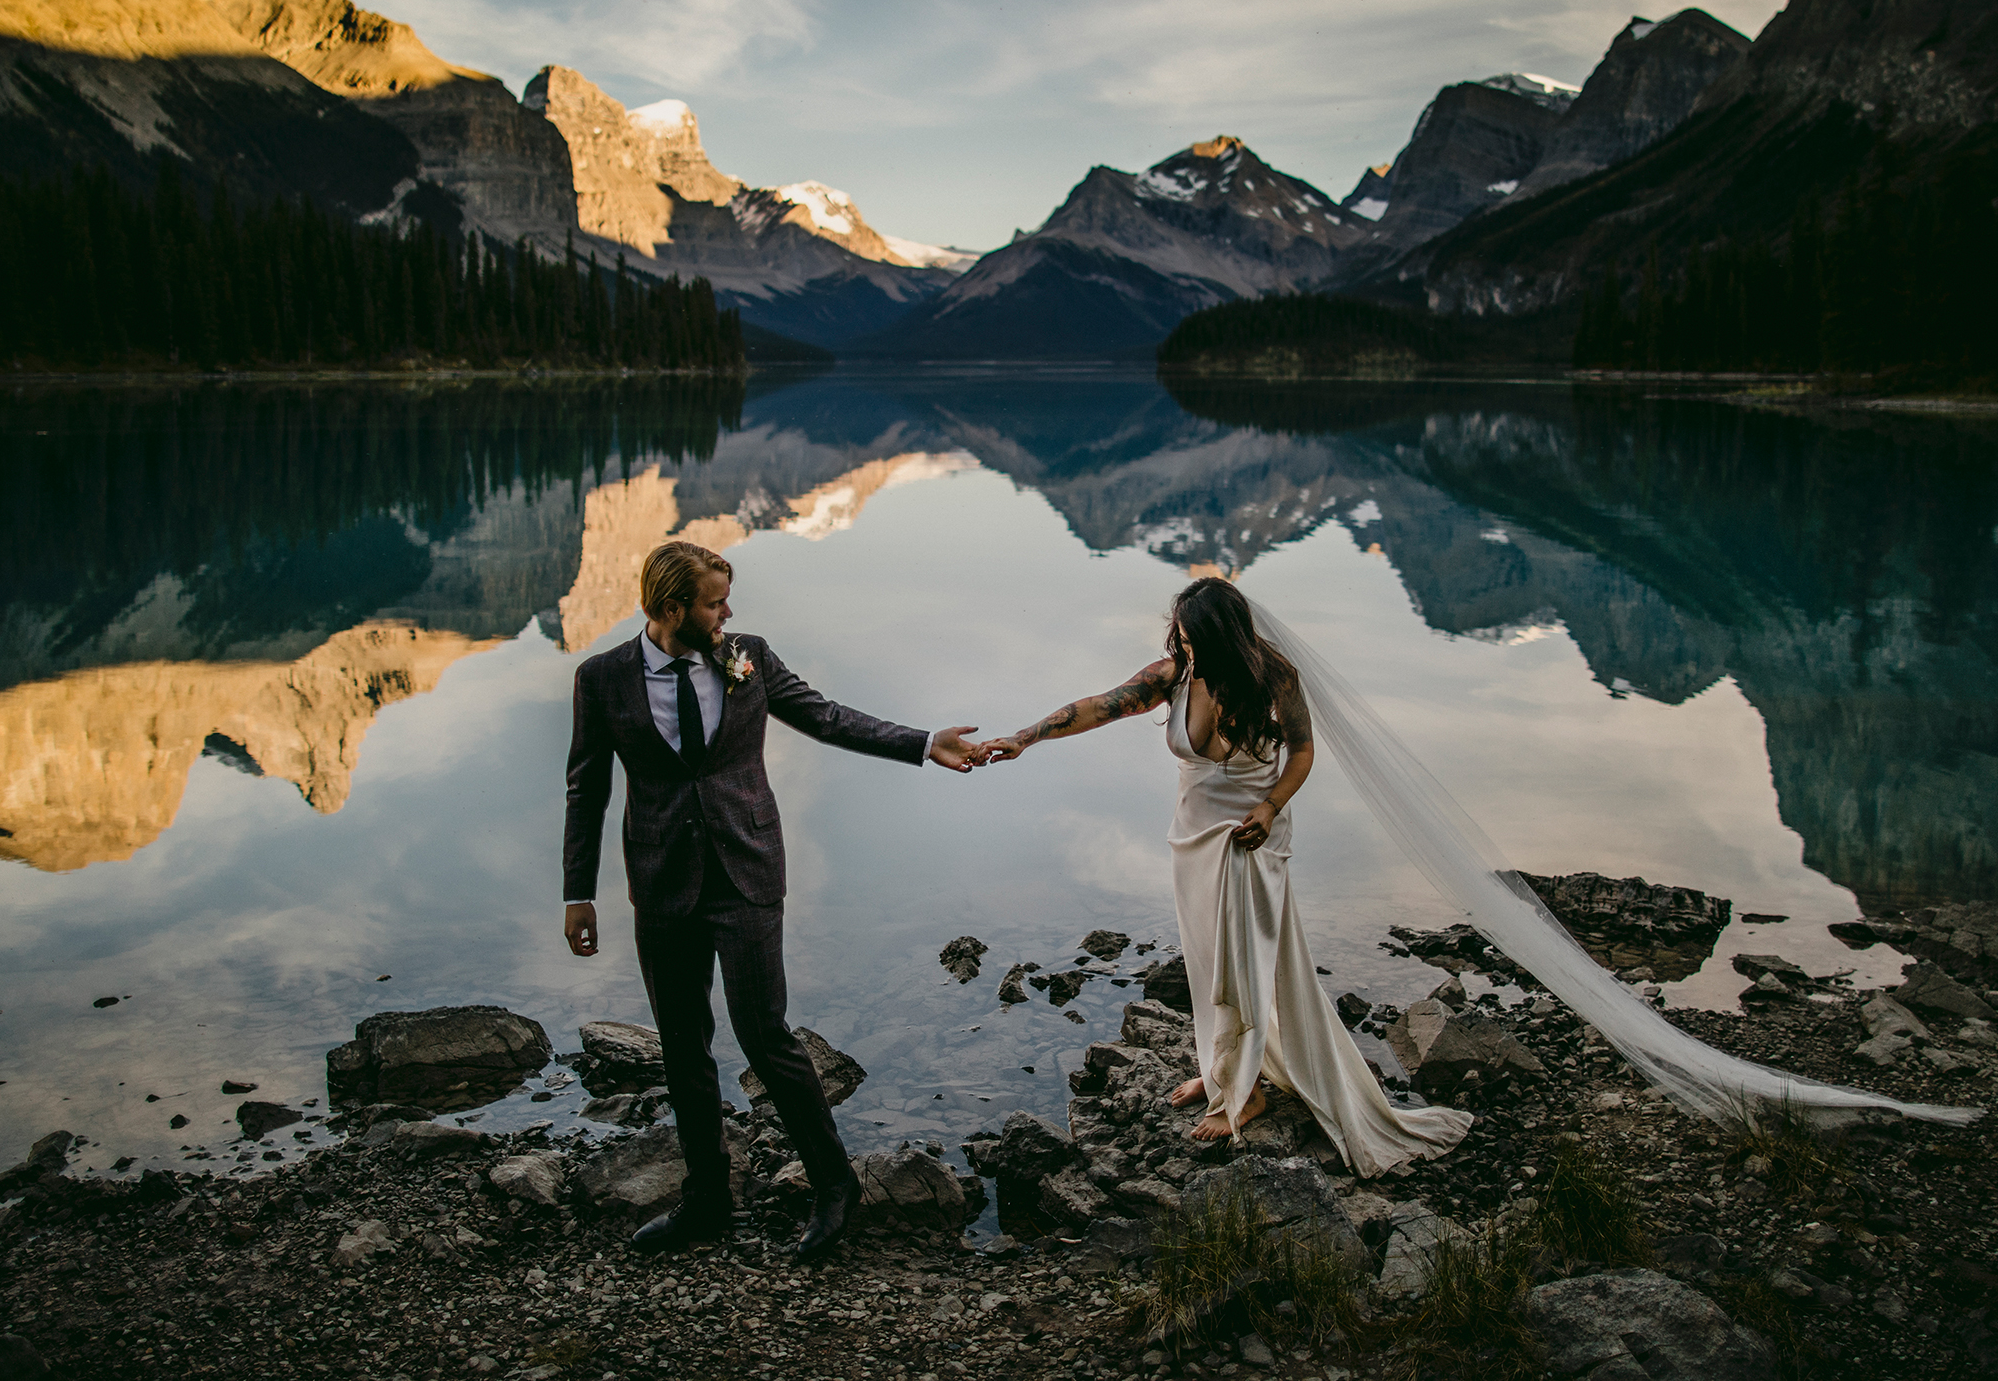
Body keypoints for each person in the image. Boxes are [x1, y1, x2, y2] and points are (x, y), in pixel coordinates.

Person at [561, 540, 985, 1263]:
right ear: (672, 609)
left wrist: (922, 744)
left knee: (765, 1035)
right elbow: (587, 787)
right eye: (714, 602)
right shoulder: (601, 678)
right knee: (682, 1046)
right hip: (662, 883)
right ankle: (706, 1201)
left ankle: (834, 1185)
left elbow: (826, 717)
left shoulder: (747, 655)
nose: (728, 612)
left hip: (746, 870)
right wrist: (578, 893)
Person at [983, 574, 1471, 1176]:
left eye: (1194, 639)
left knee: (1245, 961)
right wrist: (1024, 738)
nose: (1185, 649)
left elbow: (1302, 751)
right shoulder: (1173, 677)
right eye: (1181, 638)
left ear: (1225, 636)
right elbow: (1097, 707)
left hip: (1251, 837)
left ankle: (1247, 1091)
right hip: (1193, 839)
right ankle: (1221, 1069)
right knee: (1206, 960)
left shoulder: (1275, 677)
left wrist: (1270, 807)